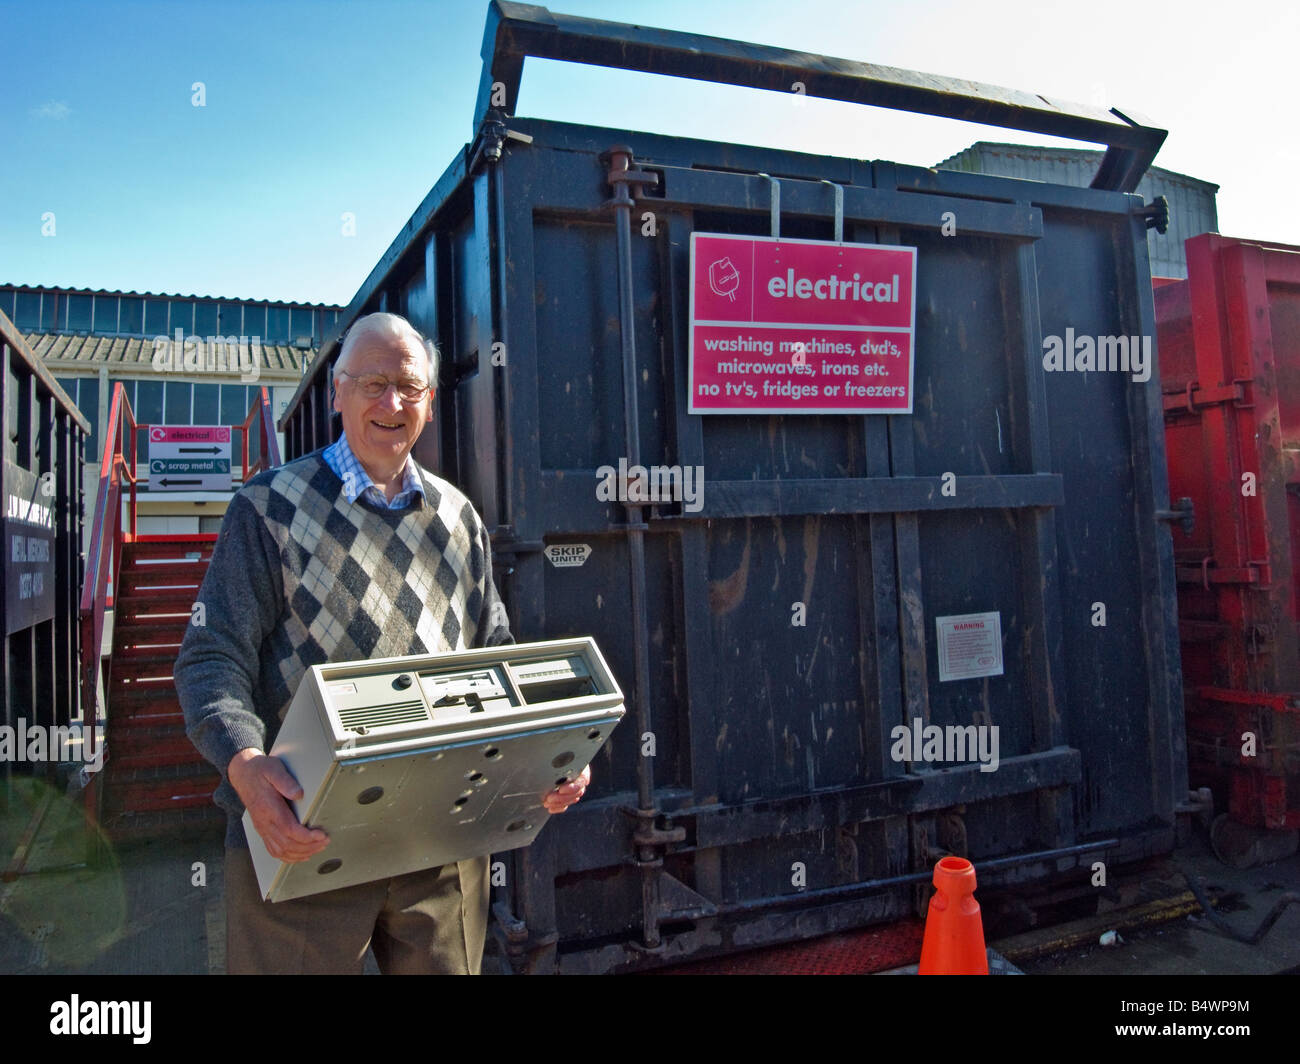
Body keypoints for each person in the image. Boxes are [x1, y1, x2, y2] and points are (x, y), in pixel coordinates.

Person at [175, 311, 589, 974]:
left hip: (441, 839)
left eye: (409, 386)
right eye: (372, 384)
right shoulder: (267, 509)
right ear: (337, 393)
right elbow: (210, 655)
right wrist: (245, 767)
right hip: (303, 838)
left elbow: (496, 652)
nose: (391, 403)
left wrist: (544, 753)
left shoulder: (458, 517)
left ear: (428, 400)